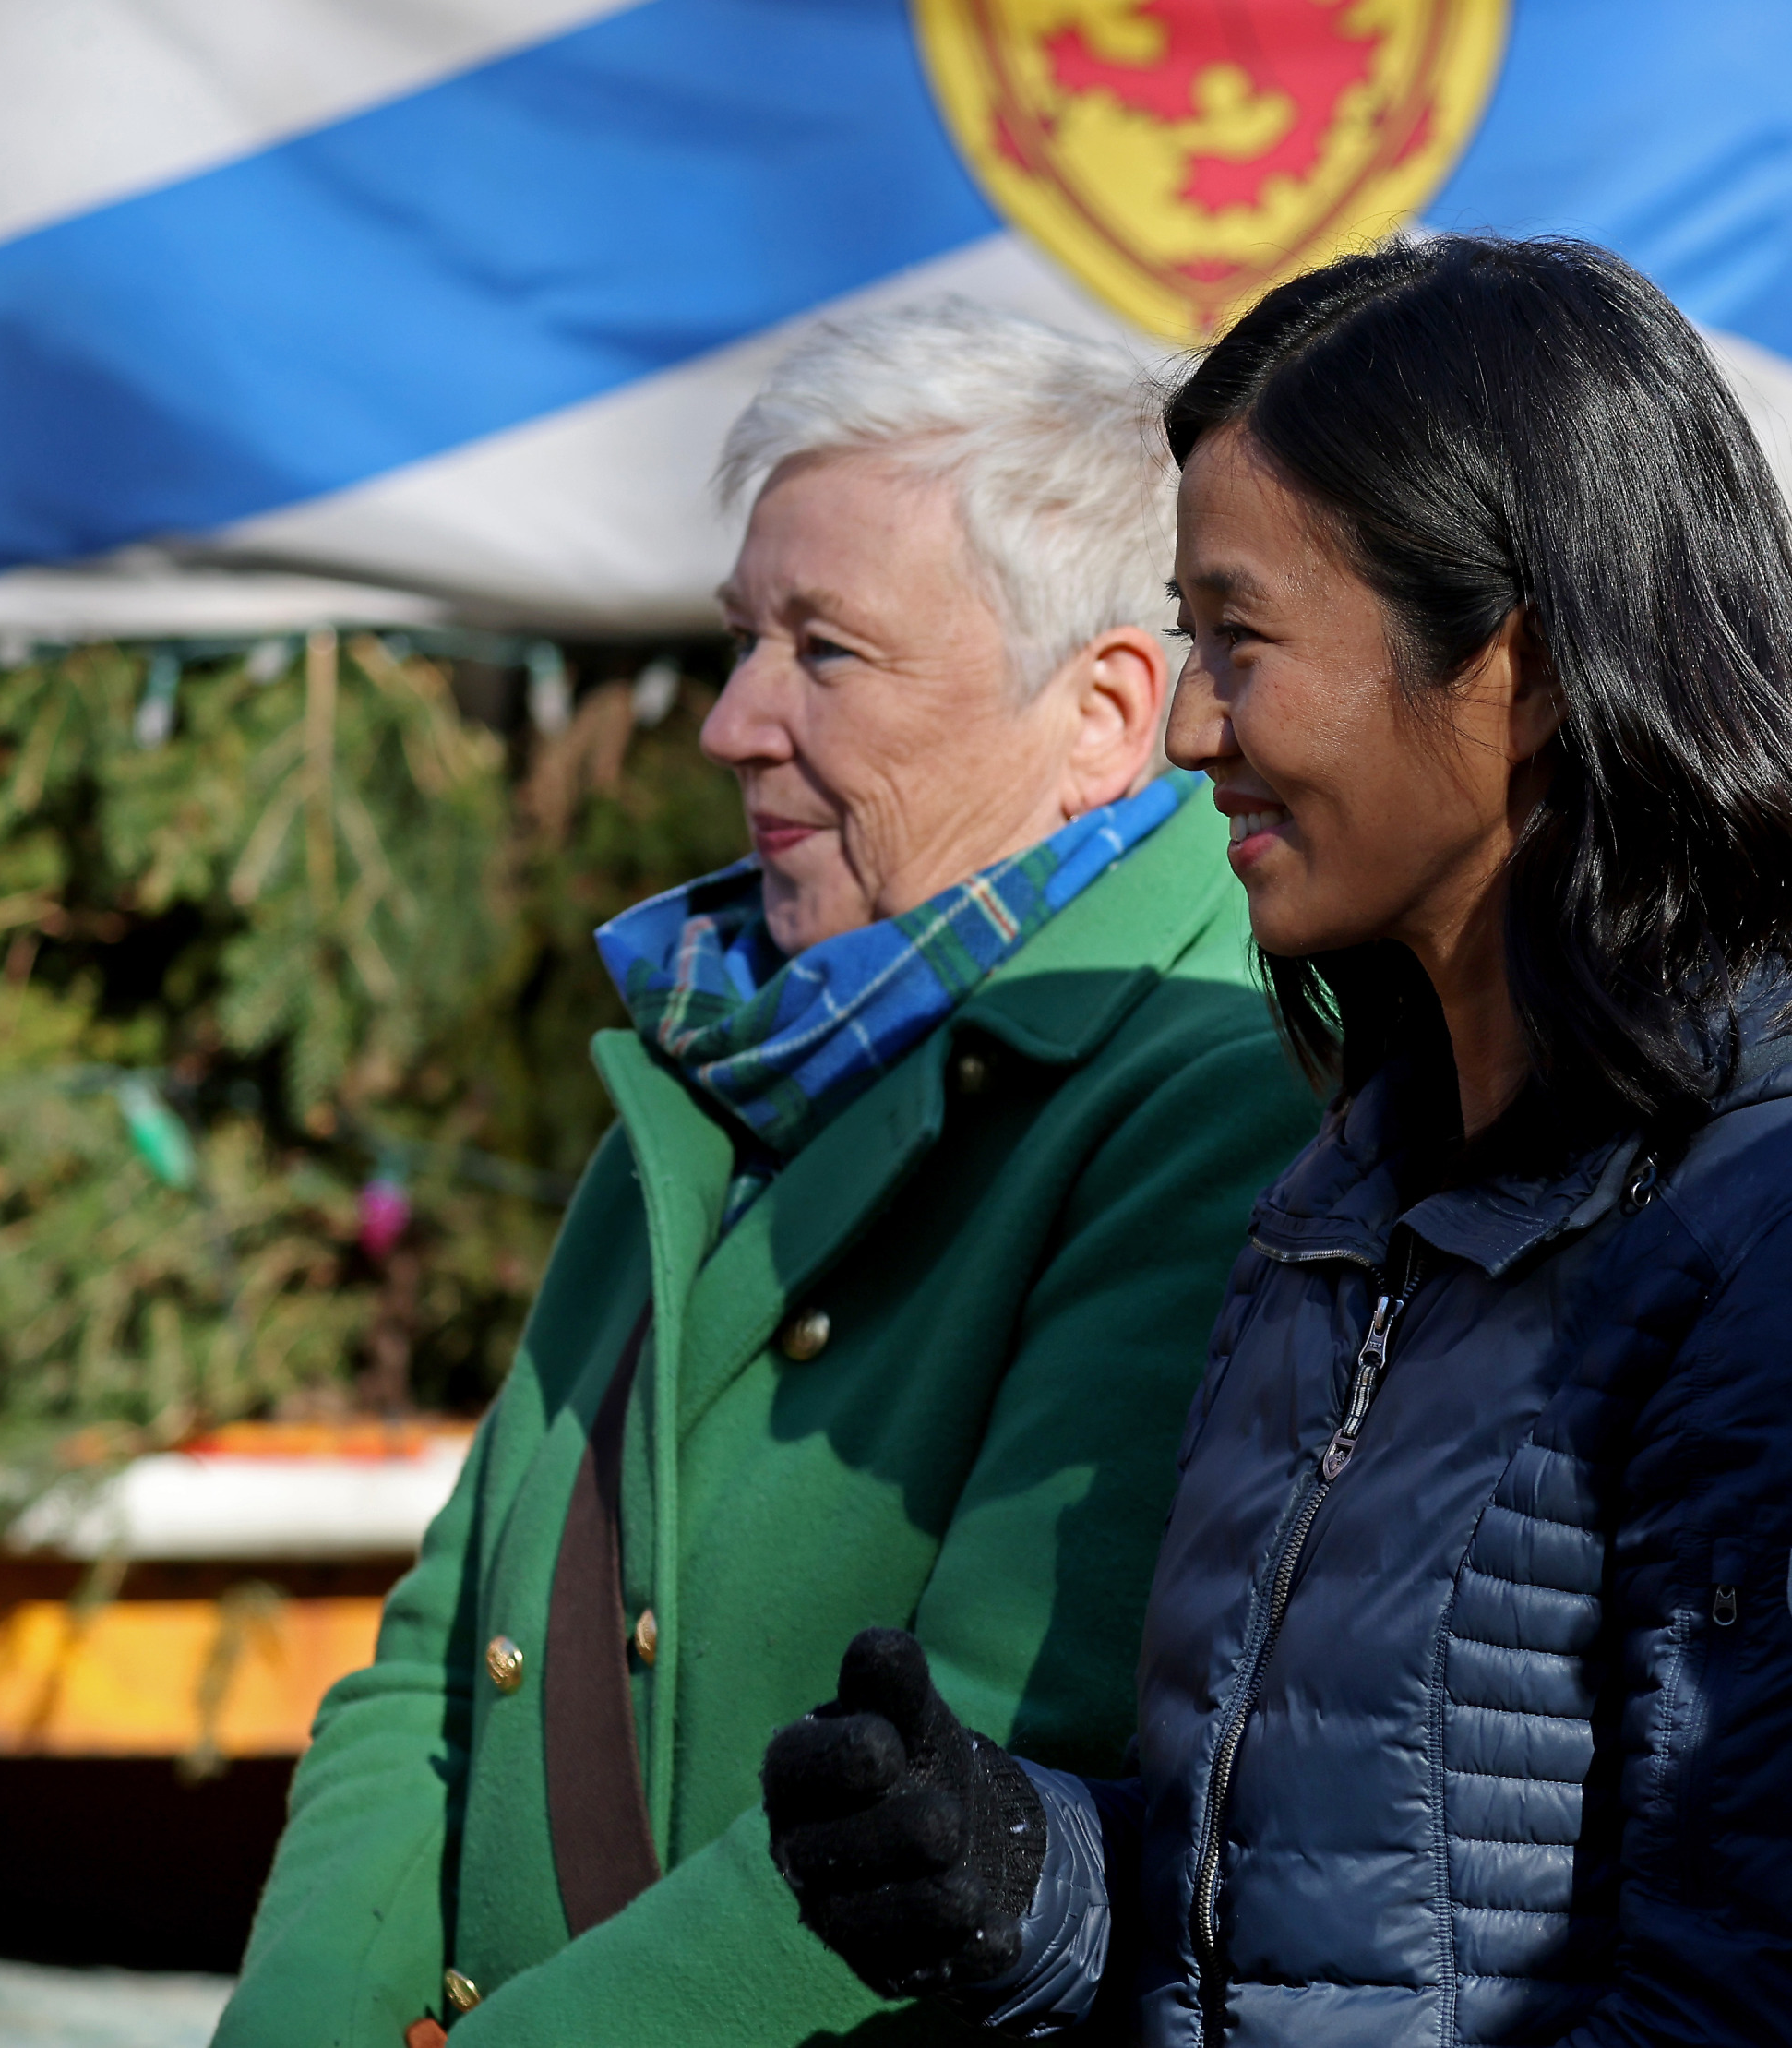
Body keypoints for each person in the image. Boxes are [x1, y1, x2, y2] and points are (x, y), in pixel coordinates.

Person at [759, 234, 1792, 2047]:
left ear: (1515, 662)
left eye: (1243, 637)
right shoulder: (1351, 1185)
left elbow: (1751, 2003)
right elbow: (1318, 1925)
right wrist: (1018, 1875)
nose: (1194, 724)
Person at [214, 302, 1323, 2048]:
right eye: (746, 640)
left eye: (827, 653)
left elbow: (973, 1798)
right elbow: (441, 1669)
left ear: (1107, 712)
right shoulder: (727, 1051)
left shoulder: (1207, 1095)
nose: (733, 722)